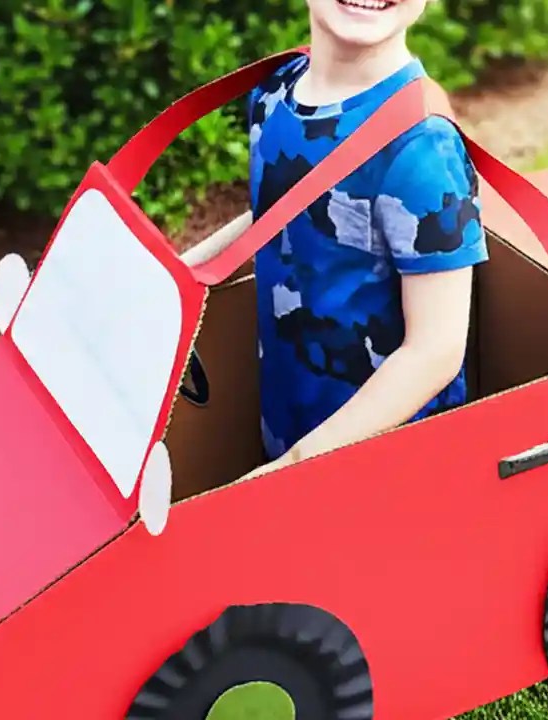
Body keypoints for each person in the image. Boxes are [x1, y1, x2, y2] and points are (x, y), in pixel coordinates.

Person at [182, 0, 486, 477]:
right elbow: (278, 214)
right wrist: (179, 275)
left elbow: (436, 351)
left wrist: (299, 464)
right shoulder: (274, 95)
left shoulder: (422, 146)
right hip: (288, 435)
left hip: (390, 469)